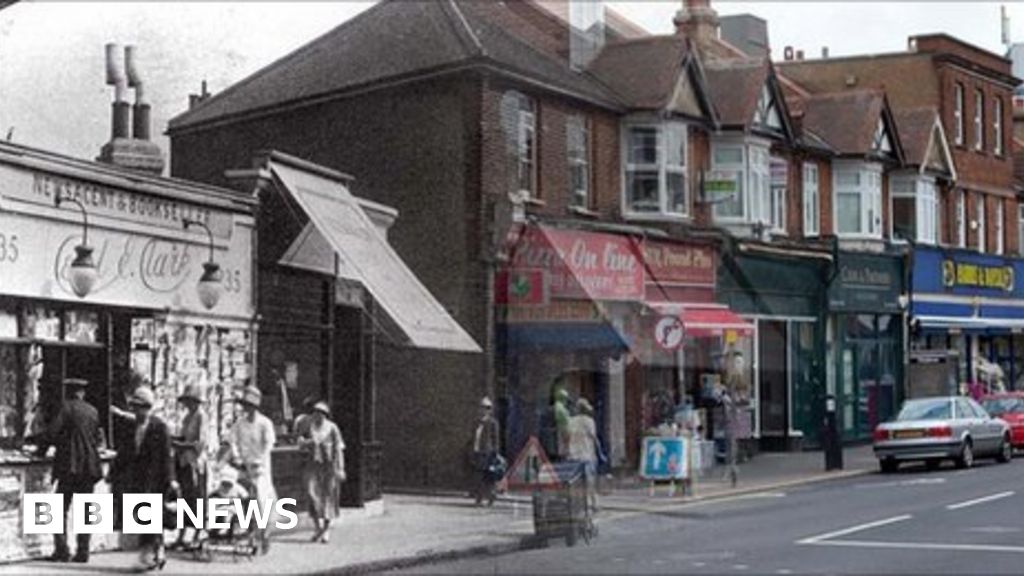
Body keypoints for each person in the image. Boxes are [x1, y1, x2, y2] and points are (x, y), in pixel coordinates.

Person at [35, 378, 104, 564]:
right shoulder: (93, 411)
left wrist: (40, 450)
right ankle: (83, 551)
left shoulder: (65, 408)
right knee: (86, 509)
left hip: (69, 467)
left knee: (58, 509)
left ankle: (62, 550)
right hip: (89, 467)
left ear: (68, 391)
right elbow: (98, 437)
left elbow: (52, 433)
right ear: (82, 393)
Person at [111, 386, 176, 571]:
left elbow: (166, 456)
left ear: (148, 408)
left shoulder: (159, 428)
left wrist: (171, 479)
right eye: (134, 408)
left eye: (140, 408)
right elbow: (124, 452)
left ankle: (149, 554)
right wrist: (114, 471)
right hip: (137, 478)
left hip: (155, 479)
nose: (137, 412)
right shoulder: (131, 426)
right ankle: (156, 550)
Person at [226, 385, 277, 554]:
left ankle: (264, 535)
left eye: (250, 406)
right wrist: (236, 457)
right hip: (243, 467)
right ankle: (247, 533)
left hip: (260, 468)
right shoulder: (239, 424)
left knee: (262, 500)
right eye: (245, 405)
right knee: (241, 497)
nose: (247, 409)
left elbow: (268, 445)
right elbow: (232, 441)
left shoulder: (264, 423)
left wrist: (258, 462)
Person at [298, 401, 345, 543]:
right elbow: (300, 442)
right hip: (313, 465)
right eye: (315, 412)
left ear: (325, 415)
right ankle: (317, 527)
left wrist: (340, 468)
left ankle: (326, 530)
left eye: (320, 413)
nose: (317, 416)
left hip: (329, 467)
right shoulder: (308, 426)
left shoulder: (332, 428)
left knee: (328, 497)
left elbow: (339, 448)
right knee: (312, 495)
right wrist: (305, 443)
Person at [170, 384, 207, 551]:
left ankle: (198, 534)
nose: (188, 405)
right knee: (184, 499)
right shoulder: (187, 418)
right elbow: (184, 437)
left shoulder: (201, 417)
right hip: (183, 462)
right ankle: (182, 535)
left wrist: (181, 445)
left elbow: (199, 444)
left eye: (190, 401)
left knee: (196, 498)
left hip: (195, 463)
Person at [567, 398, 600, 513]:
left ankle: (577, 504)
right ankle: (593, 504)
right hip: (587, 455)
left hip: (574, 455)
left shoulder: (571, 421)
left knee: (576, 482)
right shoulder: (589, 421)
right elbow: (594, 438)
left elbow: (567, 436)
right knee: (590, 481)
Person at [472, 396, 500, 506]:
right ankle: (479, 498)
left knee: (488, 476)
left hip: (487, 453)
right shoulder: (476, 423)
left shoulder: (493, 423)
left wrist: (495, 453)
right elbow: (474, 437)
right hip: (477, 451)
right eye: (482, 407)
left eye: (487, 408)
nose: (484, 410)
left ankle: (491, 496)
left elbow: (496, 439)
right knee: (478, 475)